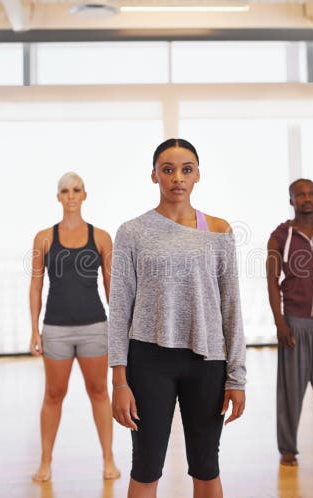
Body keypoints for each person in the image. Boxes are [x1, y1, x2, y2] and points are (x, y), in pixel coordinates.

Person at [109, 138, 246, 498]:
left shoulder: (219, 231)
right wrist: (119, 381)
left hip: (207, 362)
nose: (177, 178)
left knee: (206, 465)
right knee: (146, 465)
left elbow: (231, 306)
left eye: (186, 169)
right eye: (167, 170)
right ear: (154, 175)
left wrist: (237, 378)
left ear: (198, 174)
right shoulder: (132, 232)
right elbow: (120, 307)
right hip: (149, 361)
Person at [28, 171, 119, 482]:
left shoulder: (102, 237)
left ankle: (109, 459)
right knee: (53, 394)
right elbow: (35, 286)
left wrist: (119, 327)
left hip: (95, 326)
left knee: (99, 392)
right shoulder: (43, 237)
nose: (70, 195)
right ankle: (45, 462)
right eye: (65, 190)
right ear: (58, 197)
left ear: (84, 195)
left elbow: (111, 285)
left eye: (76, 190)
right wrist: (34, 329)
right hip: (56, 328)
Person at [266, 178, 313, 466]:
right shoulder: (280, 236)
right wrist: (280, 323)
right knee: (290, 393)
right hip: (295, 325)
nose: (307, 198)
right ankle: (287, 450)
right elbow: (271, 280)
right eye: (301, 194)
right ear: (291, 199)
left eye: (312, 193)